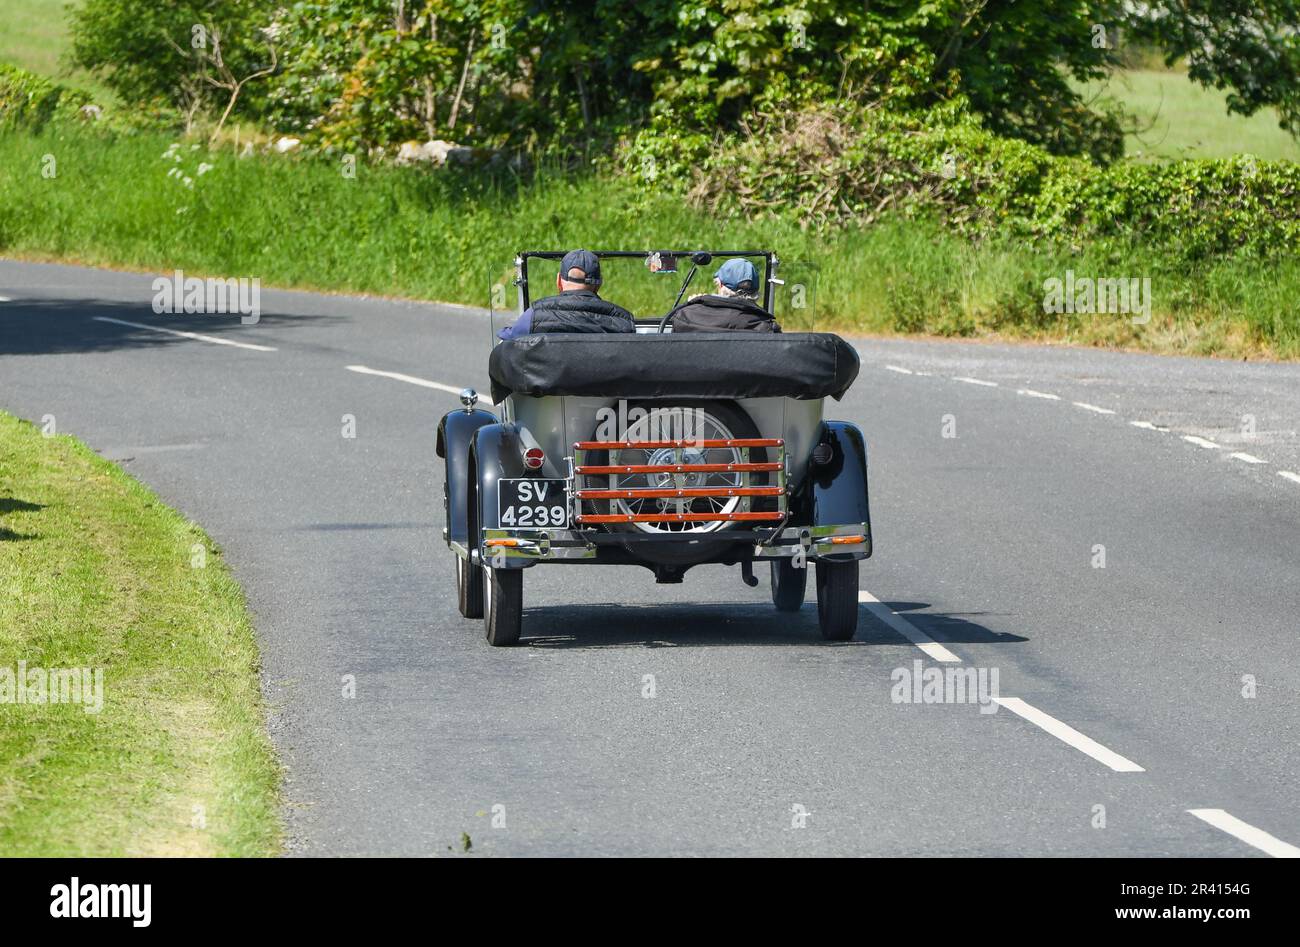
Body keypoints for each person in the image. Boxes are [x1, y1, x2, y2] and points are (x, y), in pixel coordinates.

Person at [497, 249, 635, 340]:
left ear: (559, 281)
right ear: (599, 285)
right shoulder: (622, 323)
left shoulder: (533, 317)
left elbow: (506, 338)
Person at [666, 258, 780, 333]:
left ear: (719, 284)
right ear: (756, 291)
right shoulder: (765, 326)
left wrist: (693, 305)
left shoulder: (686, 315)